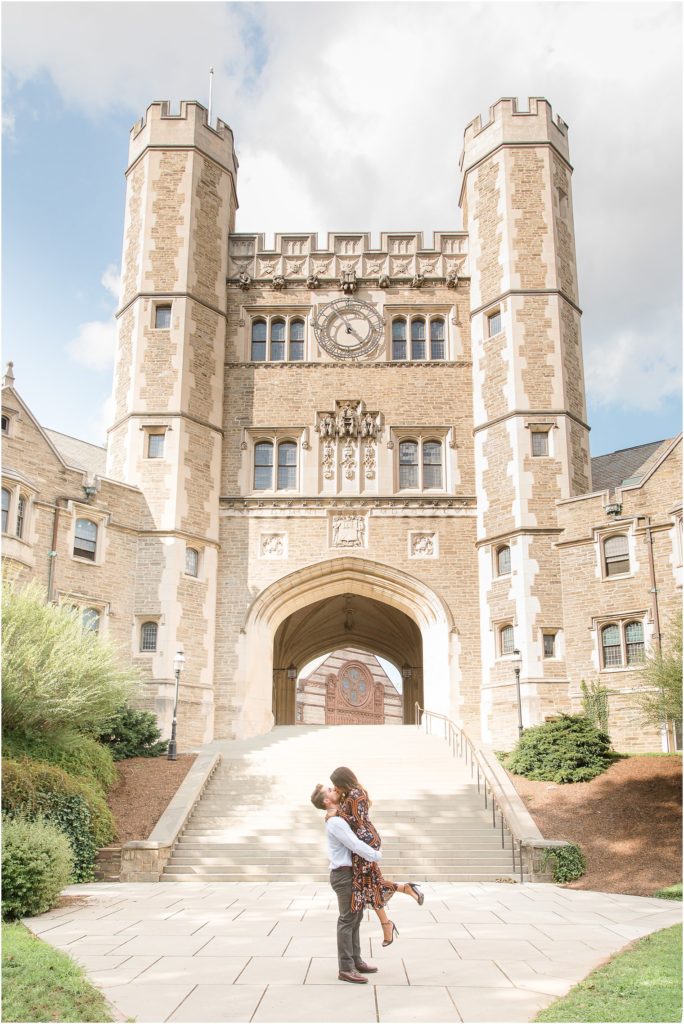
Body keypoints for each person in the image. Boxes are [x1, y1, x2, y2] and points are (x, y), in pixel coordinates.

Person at [330, 766, 424, 947]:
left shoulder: (357, 795)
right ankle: (390, 917)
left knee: (368, 884)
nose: (335, 788)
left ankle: (402, 894)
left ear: (343, 781)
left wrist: (338, 813)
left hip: (366, 842)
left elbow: (358, 822)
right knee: (370, 884)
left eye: (336, 785)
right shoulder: (351, 794)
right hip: (364, 842)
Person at [310, 783, 380, 985]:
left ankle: (356, 960)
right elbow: (355, 844)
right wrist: (375, 855)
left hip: (349, 873)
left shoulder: (337, 818)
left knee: (355, 916)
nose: (335, 790)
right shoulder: (335, 823)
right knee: (348, 919)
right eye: (331, 791)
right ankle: (346, 968)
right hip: (343, 875)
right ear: (326, 801)